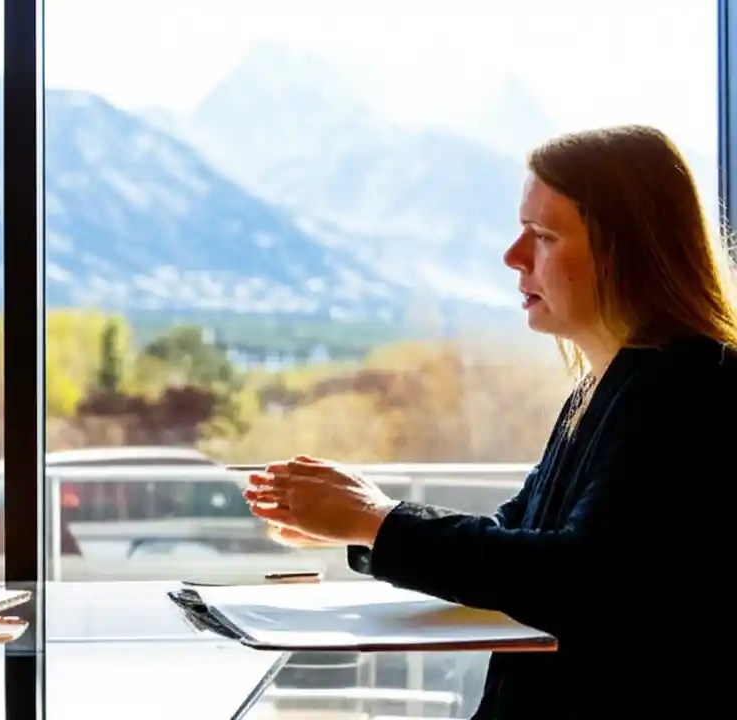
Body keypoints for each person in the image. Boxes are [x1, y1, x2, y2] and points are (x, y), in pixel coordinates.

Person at [244, 124, 736, 718]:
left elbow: (574, 579)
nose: (512, 256)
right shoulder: (615, 382)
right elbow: (517, 542)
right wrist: (364, 525)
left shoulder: (683, 388)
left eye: (543, 236)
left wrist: (378, 521)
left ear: (623, 251)